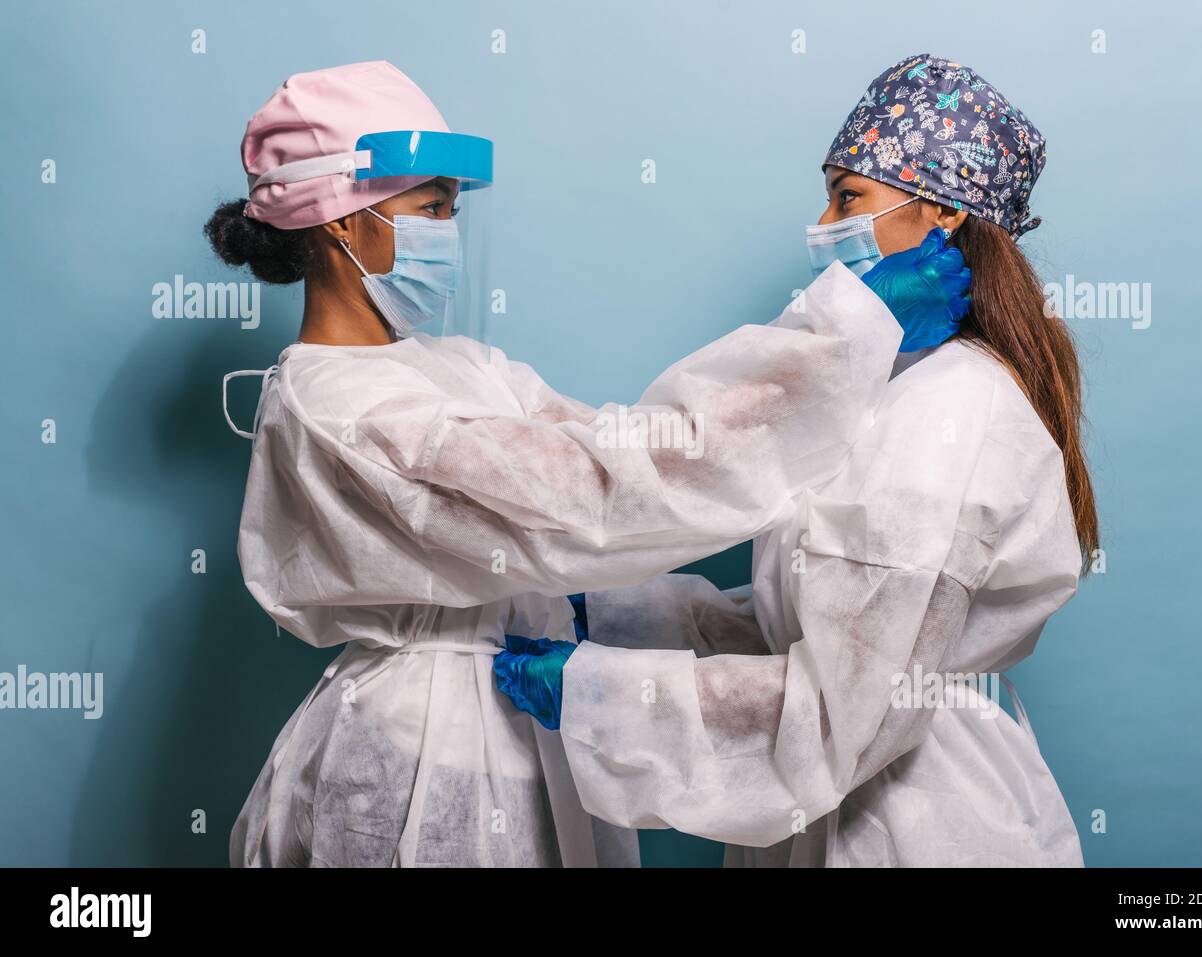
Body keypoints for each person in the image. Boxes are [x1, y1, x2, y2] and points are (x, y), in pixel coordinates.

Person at [212, 60, 971, 867]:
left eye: (451, 209)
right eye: (429, 207)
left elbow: (627, 449)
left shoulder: (458, 366)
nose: (447, 230)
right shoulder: (338, 406)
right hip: (414, 754)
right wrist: (845, 337)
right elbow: (588, 498)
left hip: (519, 740)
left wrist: (753, 613)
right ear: (342, 220)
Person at [495, 53, 1098, 867]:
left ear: (945, 211)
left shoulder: (953, 409)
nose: (822, 224)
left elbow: (843, 707)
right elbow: (822, 619)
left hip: (916, 828)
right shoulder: (893, 389)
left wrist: (602, 697)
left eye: (849, 196)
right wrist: (617, 613)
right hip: (842, 812)